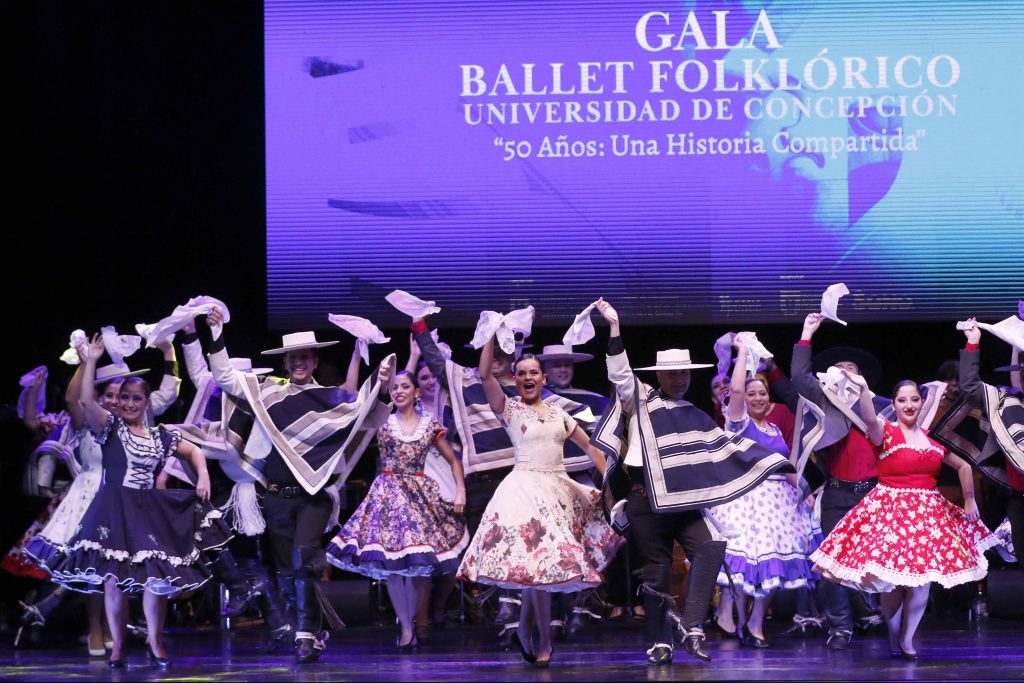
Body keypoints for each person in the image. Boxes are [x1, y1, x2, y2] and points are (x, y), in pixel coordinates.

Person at [592, 299, 791, 665]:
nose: (680, 379)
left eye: (685, 373)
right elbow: (620, 373)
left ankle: (692, 626)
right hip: (645, 498)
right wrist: (615, 328)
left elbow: (722, 451)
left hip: (683, 502)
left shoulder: (696, 413)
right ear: (659, 376)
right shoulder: (641, 399)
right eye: (673, 374)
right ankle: (659, 641)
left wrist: (770, 460)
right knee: (656, 572)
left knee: (712, 546)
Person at [204, 307, 392, 664]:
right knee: (287, 570)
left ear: (315, 360)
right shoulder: (269, 393)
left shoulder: (330, 398)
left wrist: (382, 383)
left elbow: (367, 414)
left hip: (314, 497)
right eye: (293, 359)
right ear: (286, 362)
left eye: (305, 358)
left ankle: (304, 636)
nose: (298, 364)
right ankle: (313, 629)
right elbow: (226, 377)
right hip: (276, 497)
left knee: (304, 558)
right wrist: (215, 335)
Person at [42, 334, 228, 669]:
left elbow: (194, 450)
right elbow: (86, 400)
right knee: (113, 579)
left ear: (146, 402)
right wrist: (92, 360)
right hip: (114, 509)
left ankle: (156, 642)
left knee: (157, 579)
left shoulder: (159, 436)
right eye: (124, 397)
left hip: (147, 509)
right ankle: (117, 648)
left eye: (135, 398)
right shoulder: (111, 427)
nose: (128, 403)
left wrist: (202, 475)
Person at [456, 339, 622, 668]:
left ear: (543, 378)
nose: (528, 377)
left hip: (556, 490)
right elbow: (486, 375)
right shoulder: (510, 409)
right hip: (523, 490)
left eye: (534, 372)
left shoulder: (559, 413)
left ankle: (527, 634)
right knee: (538, 568)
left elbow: (590, 447)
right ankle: (543, 640)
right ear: (515, 379)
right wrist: (490, 335)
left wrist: (607, 480)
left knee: (542, 571)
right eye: (521, 373)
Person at [811, 376, 997, 659]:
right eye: (902, 400)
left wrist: (969, 498)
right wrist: (863, 389)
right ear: (894, 405)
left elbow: (963, 466)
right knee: (891, 581)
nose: (909, 405)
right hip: (890, 512)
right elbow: (870, 419)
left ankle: (907, 639)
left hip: (928, 515)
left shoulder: (934, 438)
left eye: (914, 399)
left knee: (922, 581)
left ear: (921, 403)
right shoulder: (885, 431)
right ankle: (894, 635)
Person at [327, 369, 467, 649]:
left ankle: (411, 624)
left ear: (416, 392)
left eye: (405, 386)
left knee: (415, 565)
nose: (399, 391)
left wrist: (460, 489)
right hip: (388, 495)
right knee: (392, 565)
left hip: (418, 495)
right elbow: (355, 405)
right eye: (395, 387)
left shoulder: (429, 425)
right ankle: (405, 627)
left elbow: (453, 459)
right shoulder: (383, 422)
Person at [709, 337, 820, 648]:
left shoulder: (773, 429)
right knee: (746, 567)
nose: (757, 398)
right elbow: (739, 390)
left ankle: (756, 623)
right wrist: (742, 352)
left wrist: (805, 488)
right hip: (746, 502)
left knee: (773, 568)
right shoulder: (738, 423)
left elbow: (786, 466)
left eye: (763, 393)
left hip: (778, 505)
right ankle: (741, 622)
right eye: (752, 393)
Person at [792, 312, 888, 650]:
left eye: (852, 368)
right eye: (840, 369)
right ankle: (840, 628)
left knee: (875, 559)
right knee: (835, 564)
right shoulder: (825, 406)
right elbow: (800, 378)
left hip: (874, 495)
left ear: (862, 377)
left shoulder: (883, 408)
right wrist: (806, 334)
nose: (845, 372)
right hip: (837, 494)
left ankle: (872, 616)